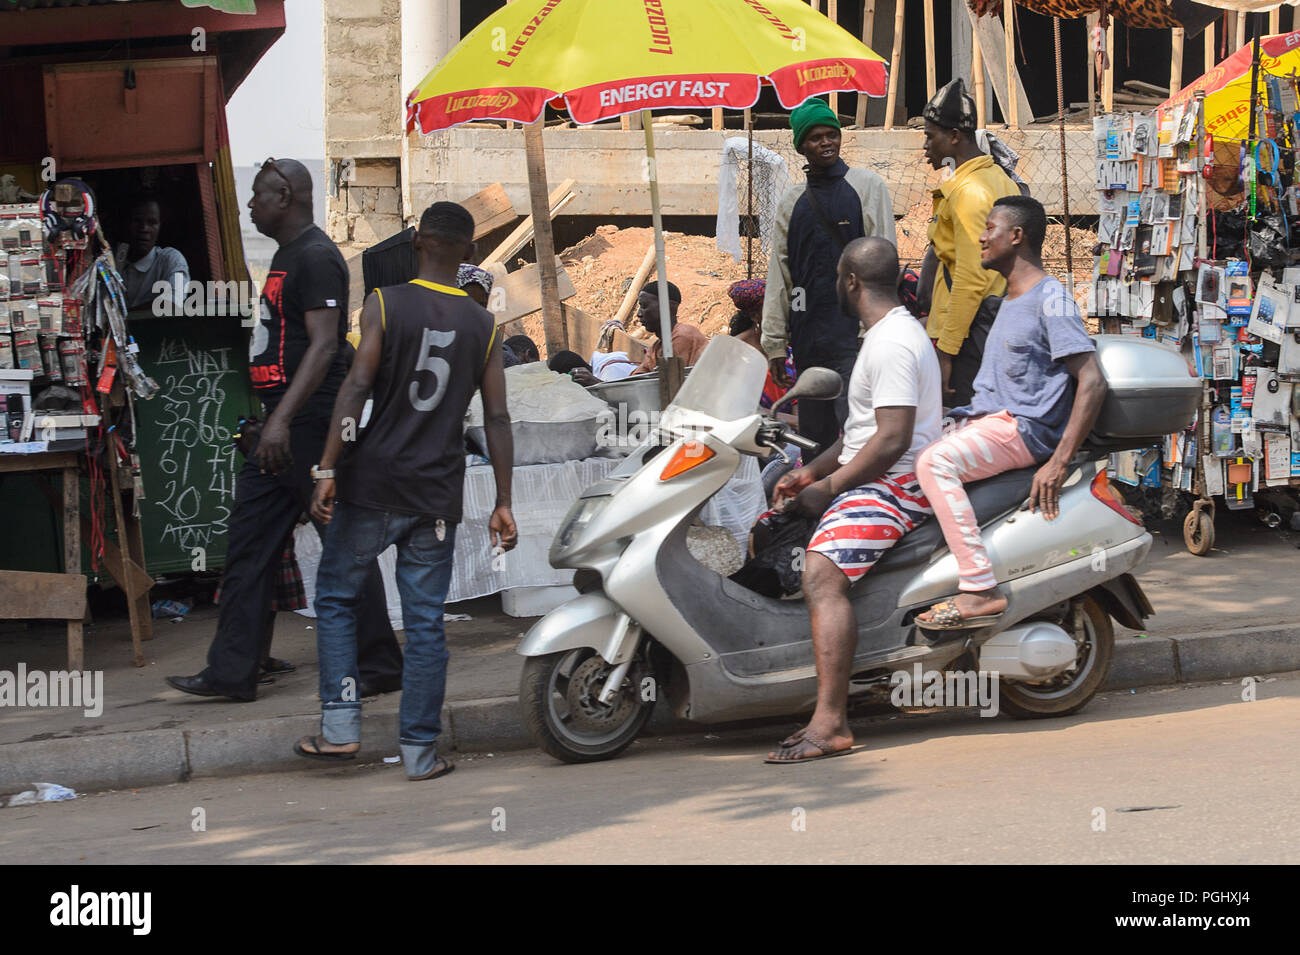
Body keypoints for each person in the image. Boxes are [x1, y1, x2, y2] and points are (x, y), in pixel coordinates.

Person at [166, 159, 403, 702]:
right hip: (281, 428)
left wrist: (280, 422)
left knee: (342, 544)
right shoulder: (288, 255)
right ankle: (233, 671)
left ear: (287, 193)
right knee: (250, 547)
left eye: (257, 196)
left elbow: (324, 347)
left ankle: (379, 664)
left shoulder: (317, 257)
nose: (249, 206)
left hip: (307, 426)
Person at [296, 201, 517, 778]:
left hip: (374, 482)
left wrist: (326, 466)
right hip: (435, 493)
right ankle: (419, 752)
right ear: (469, 253)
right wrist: (503, 500)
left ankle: (340, 728)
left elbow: (355, 388)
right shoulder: (484, 325)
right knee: (424, 624)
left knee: (338, 598)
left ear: (417, 240)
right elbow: (496, 418)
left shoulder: (384, 305)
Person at [764, 237, 942, 763]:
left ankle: (831, 721)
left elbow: (891, 439)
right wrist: (810, 472)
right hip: (879, 473)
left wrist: (829, 489)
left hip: (897, 484)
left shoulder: (890, 344)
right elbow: (862, 432)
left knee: (819, 572)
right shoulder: (885, 336)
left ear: (850, 281)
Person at [914, 196, 1107, 630]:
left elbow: (1090, 379)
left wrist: (1057, 462)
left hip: (1024, 429)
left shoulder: (1051, 297)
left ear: (1016, 236)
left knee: (935, 463)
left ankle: (980, 589)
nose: (982, 237)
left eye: (990, 228)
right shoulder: (1008, 298)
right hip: (987, 421)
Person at [761, 97, 897, 454]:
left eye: (831, 134)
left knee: (860, 437)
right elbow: (781, 273)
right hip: (808, 340)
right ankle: (816, 505)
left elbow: (884, 261)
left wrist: (876, 329)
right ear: (801, 146)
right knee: (814, 441)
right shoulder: (792, 202)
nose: (826, 143)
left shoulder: (867, 186)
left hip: (855, 338)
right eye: (816, 137)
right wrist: (775, 342)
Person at [918, 78, 1020, 408]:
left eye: (930, 136)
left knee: (966, 426)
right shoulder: (997, 178)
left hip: (969, 334)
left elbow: (971, 276)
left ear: (954, 137)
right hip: (990, 324)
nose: (926, 146)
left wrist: (946, 352)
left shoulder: (970, 192)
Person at [115, 195, 189, 311]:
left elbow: (173, 303)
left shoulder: (171, 259)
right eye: (137, 221)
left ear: (160, 226)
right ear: (126, 224)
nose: (144, 228)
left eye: (152, 223)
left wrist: (125, 316)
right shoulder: (115, 262)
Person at [631, 280, 708, 374]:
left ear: (667, 307)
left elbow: (670, 381)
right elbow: (639, 375)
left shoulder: (683, 336)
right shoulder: (657, 346)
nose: (639, 314)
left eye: (644, 306)